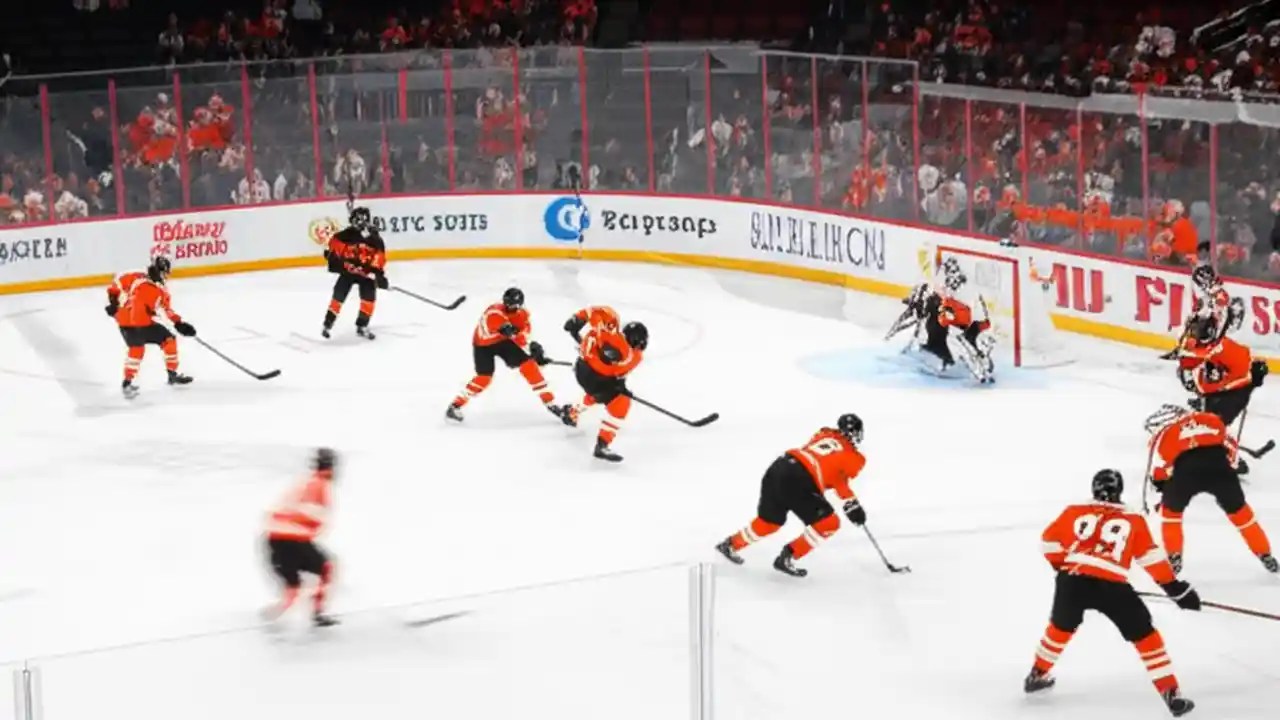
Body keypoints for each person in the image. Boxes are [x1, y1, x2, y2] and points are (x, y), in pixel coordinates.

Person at [1025, 469, 1198, 717]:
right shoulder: (1133, 519)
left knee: (1060, 628)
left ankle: (1037, 674)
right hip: (1112, 585)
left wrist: (1064, 568)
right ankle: (1170, 691)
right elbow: (1151, 558)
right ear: (1119, 491)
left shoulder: (1075, 511)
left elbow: (1049, 543)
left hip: (1072, 580)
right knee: (1146, 637)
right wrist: (1176, 590)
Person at [714, 414, 867, 577]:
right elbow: (839, 481)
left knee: (769, 522)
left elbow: (824, 459)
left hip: (780, 466)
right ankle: (788, 556)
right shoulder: (856, 458)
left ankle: (731, 544)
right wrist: (852, 504)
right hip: (800, 478)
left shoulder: (824, 433)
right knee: (829, 523)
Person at [1145, 404, 1277, 575]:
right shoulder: (1213, 420)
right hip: (1219, 467)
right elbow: (1232, 452)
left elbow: (1159, 468)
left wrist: (1163, 487)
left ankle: (1174, 557)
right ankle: (1265, 554)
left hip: (1185, 473)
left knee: (1171, 515)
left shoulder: (1166, 432)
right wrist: (1230, 468)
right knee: (1241, 514)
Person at [447, 287, 573, 424]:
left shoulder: (523, 315)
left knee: (529, 365)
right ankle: (455, 405)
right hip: (483, 345)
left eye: (515, 305)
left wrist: (534, 352)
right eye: (509, 304)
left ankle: (551, 403)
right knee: (484, 378)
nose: (511, 307)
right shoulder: (494, 313)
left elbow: (523, 336)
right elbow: (511, 333)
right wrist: (529, 348)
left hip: (503, 342)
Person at [264, 448, 339, 628]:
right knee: (326, 567)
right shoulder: (320, 485)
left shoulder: (302, 482)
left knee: (293, 585)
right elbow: (314, 519)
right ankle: (318, 614)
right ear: (331, 468)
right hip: (293, 539)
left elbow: (280, 512)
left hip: (273, 538)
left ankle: (279, 609)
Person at [105, 255, 195, 399]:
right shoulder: (137, 277)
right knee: (137, 350)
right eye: (165, 272)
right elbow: (116, 283)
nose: (166, 276)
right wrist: (113, 303)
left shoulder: (161, 290)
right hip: (128, 322)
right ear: (158, 271)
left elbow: (167, 310)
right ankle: (127, 382)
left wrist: (179, 323)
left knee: (169, 340)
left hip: (146, 323)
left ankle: (172, 375)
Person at [894, 257, 994, 382]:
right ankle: (974, 364)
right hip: (960, 326)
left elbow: (971, 317)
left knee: (957, 338)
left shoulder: (963, 294)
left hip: (967, 325)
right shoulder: (944, 295)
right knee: (947, 335)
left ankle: (978, 365)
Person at [567, 320, 648, 462]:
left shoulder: (613, 340)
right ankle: (602, 444)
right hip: (595, 378)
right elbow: (618, 372)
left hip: (585, 372)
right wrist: (620, 387)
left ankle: (572, 412)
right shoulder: (635, 356)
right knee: (620, 404)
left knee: (597, 395)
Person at [323, 206, 388, 340]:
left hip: (366, 274)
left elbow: (379, 258)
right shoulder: (344, 236)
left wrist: (379, 275)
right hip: (348, 272)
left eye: (362, 220)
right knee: (338, 295)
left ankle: (362, 325)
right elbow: (332, 253)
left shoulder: (375, 240)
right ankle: (328, 324)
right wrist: (335, 260)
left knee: (368, 298)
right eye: (357, 220)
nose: (360, 223)